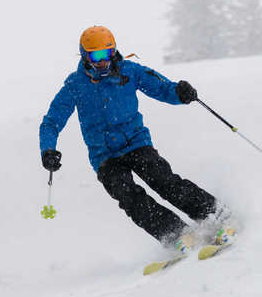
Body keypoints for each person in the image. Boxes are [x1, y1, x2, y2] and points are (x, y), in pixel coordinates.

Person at [39, 26, 228, 253]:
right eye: (95, 56)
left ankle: (215, 215)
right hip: (105, 156)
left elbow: (161, 88)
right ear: (84, 55)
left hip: (136, 144)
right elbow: (52, 121)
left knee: (164, 181)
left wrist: (180, 93)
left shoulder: (129, 72)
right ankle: (177, 234)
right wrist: (48, 149)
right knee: (129, 198)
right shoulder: (75, 85)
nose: (102, 61)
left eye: (107, 54)